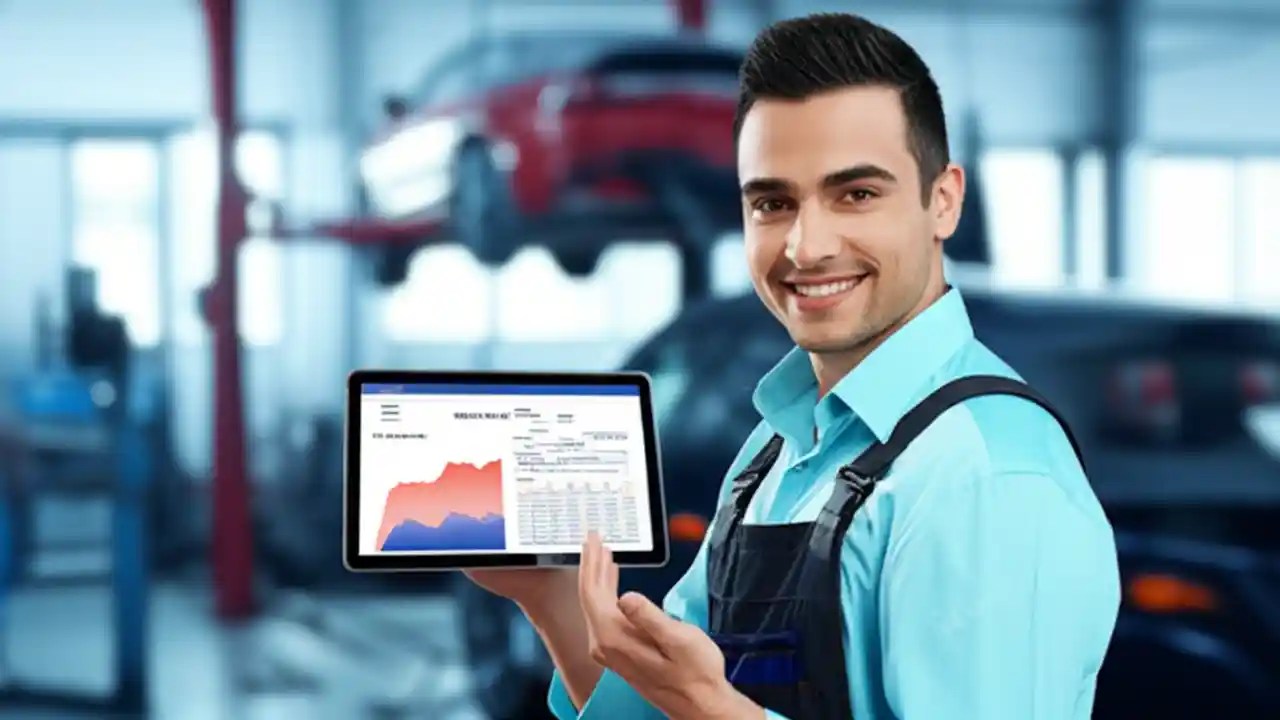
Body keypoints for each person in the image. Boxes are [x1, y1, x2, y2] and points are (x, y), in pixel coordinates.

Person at [466, 11, 1121, 720]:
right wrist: (551, 596)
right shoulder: (775, 452)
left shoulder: (984, 479)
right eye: (773, 203)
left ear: (944, 201)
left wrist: (712, 708)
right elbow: (666, 707)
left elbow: (701, 707)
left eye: (857, 195)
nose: (805, 247)